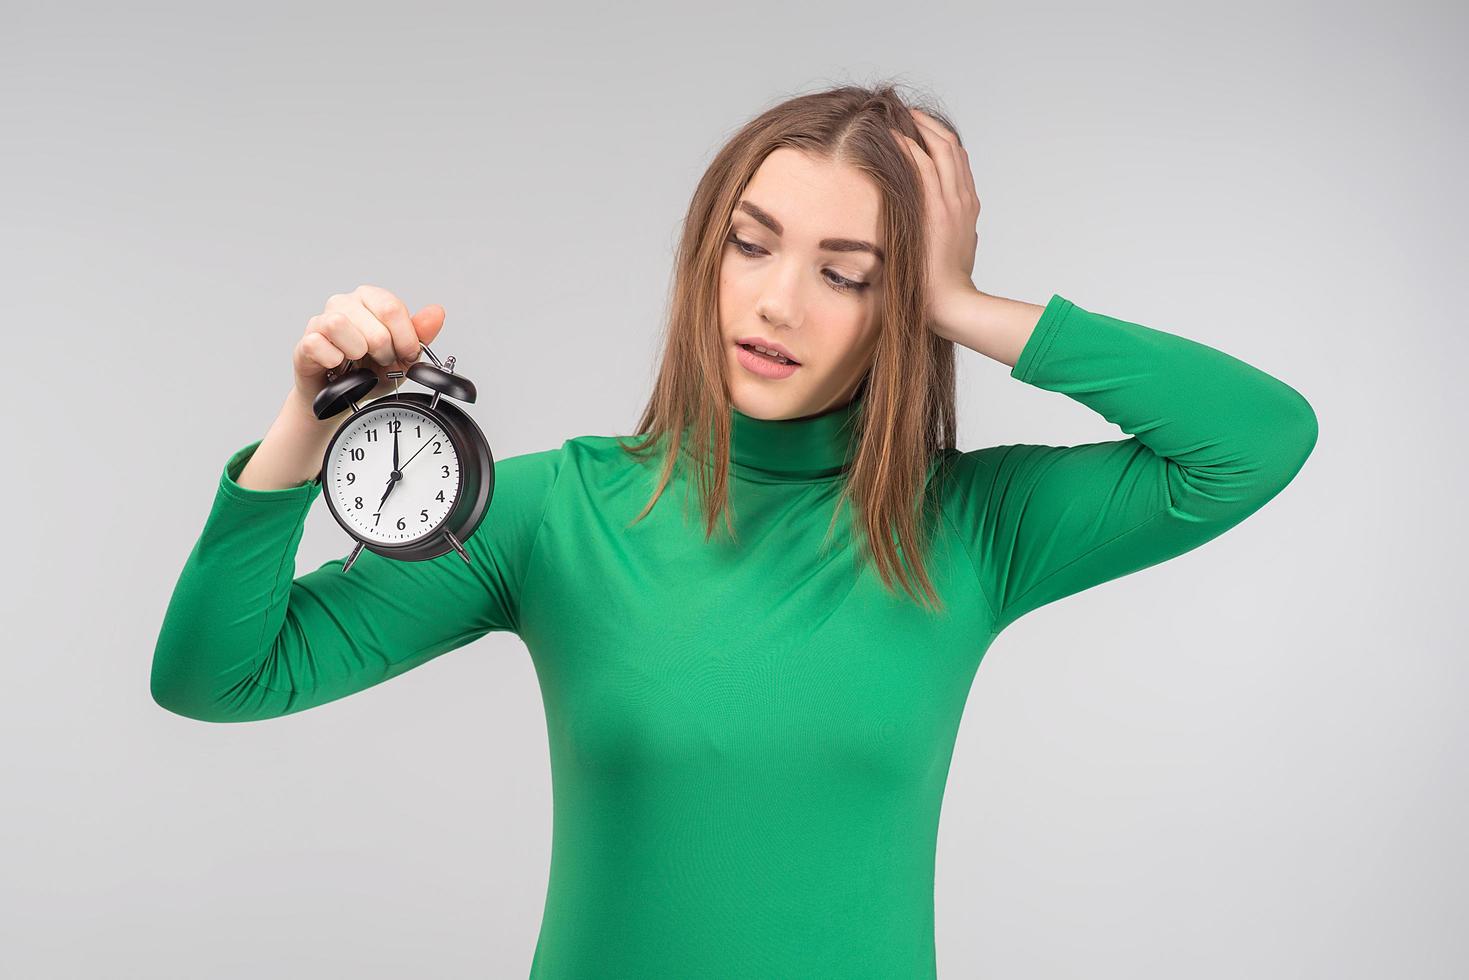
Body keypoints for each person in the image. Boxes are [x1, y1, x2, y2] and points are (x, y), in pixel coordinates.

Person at [151, 85, 1318, 979]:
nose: (775, 301)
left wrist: (965, 303)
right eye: (750, 243)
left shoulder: (966, 525)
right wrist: (306, 422)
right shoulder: (560, 509)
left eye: (847, 272)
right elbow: (218, 674)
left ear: (897, 305)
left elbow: (1254, 439)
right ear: (704, 253)